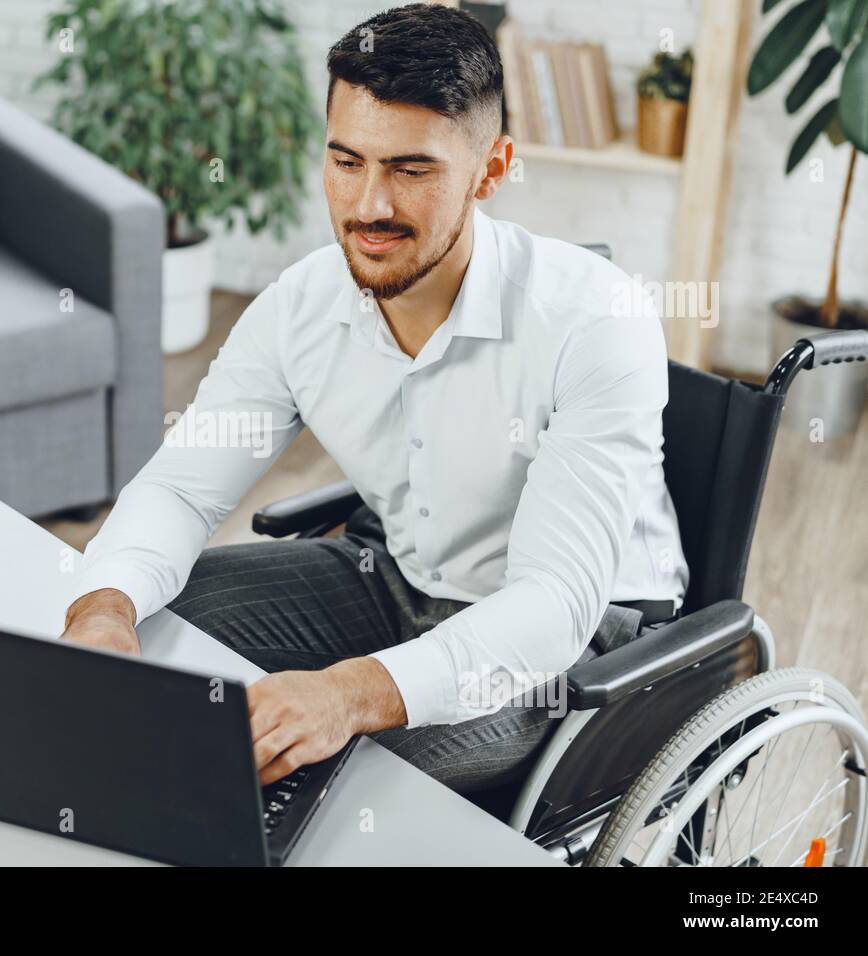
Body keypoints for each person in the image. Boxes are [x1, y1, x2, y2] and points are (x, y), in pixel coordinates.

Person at [62, 3, 688, 797]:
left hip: (568, 646)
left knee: (311, 779)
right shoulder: (299, 309)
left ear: (492, 169)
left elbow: (553, 606)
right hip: (397, 575)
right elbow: (183, 487)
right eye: (347, 162)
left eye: (412, 169)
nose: (369, 207)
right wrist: (104, 610)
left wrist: (344, 694)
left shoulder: (595, 320)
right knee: (159, 624)